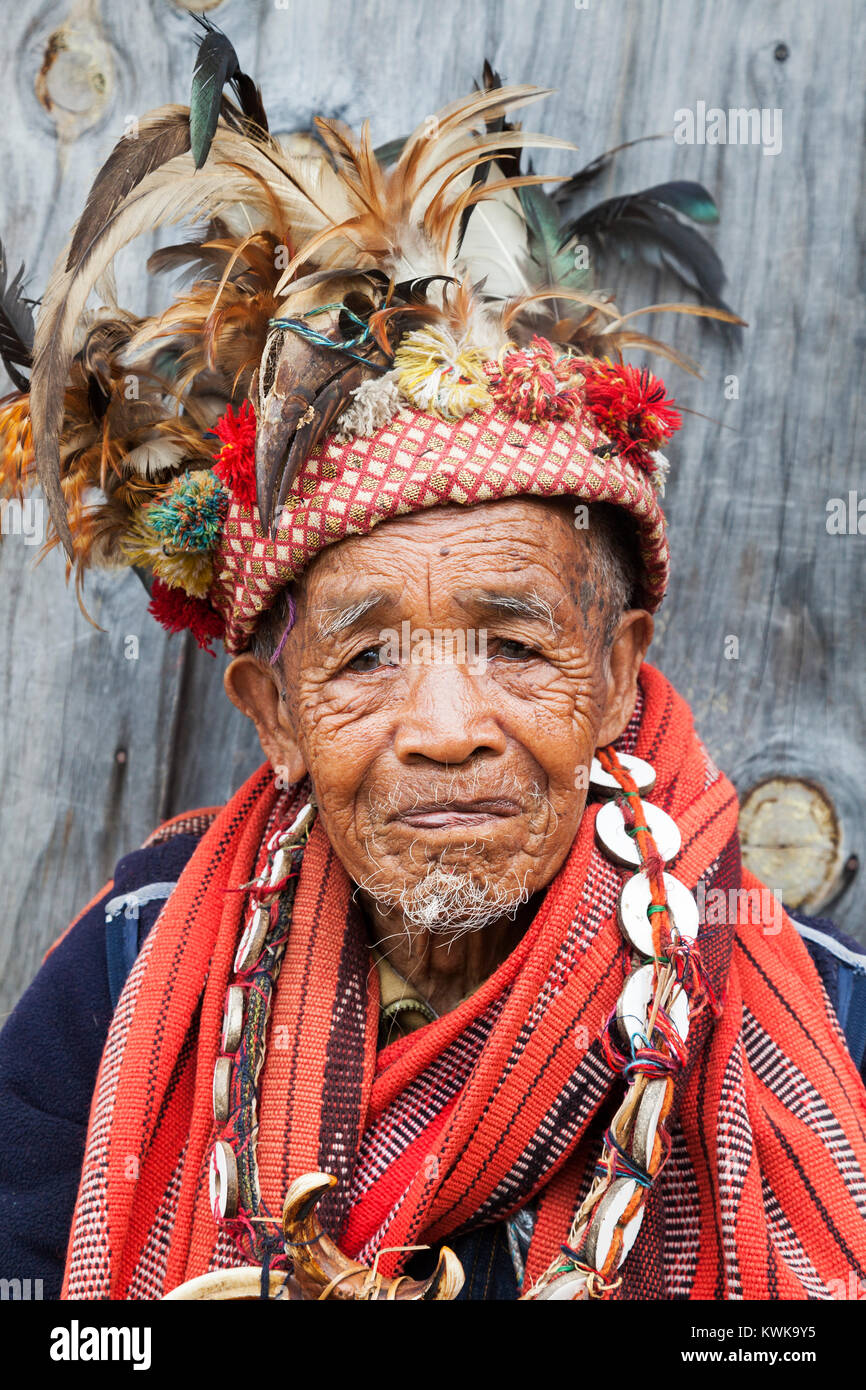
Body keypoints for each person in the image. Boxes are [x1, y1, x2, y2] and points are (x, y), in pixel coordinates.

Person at [1, 24, 865, 1301]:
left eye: (516, 642)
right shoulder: (128, 974)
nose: (446, 725)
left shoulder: (820, 1018)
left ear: (620, 674)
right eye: (363, 659)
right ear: (274, 709)